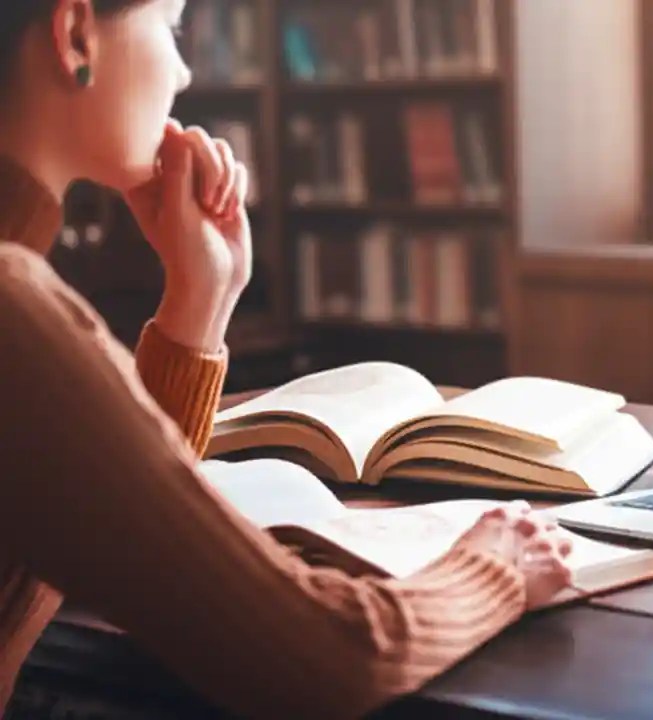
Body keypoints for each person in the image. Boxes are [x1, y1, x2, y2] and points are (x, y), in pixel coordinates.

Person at [0, 1, 575, 717]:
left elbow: (91, 515)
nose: (181, 71)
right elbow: (327, 658)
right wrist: (495, 567)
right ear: (76, 32)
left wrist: (202, 294)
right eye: (171, 26)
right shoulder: (13, 307)